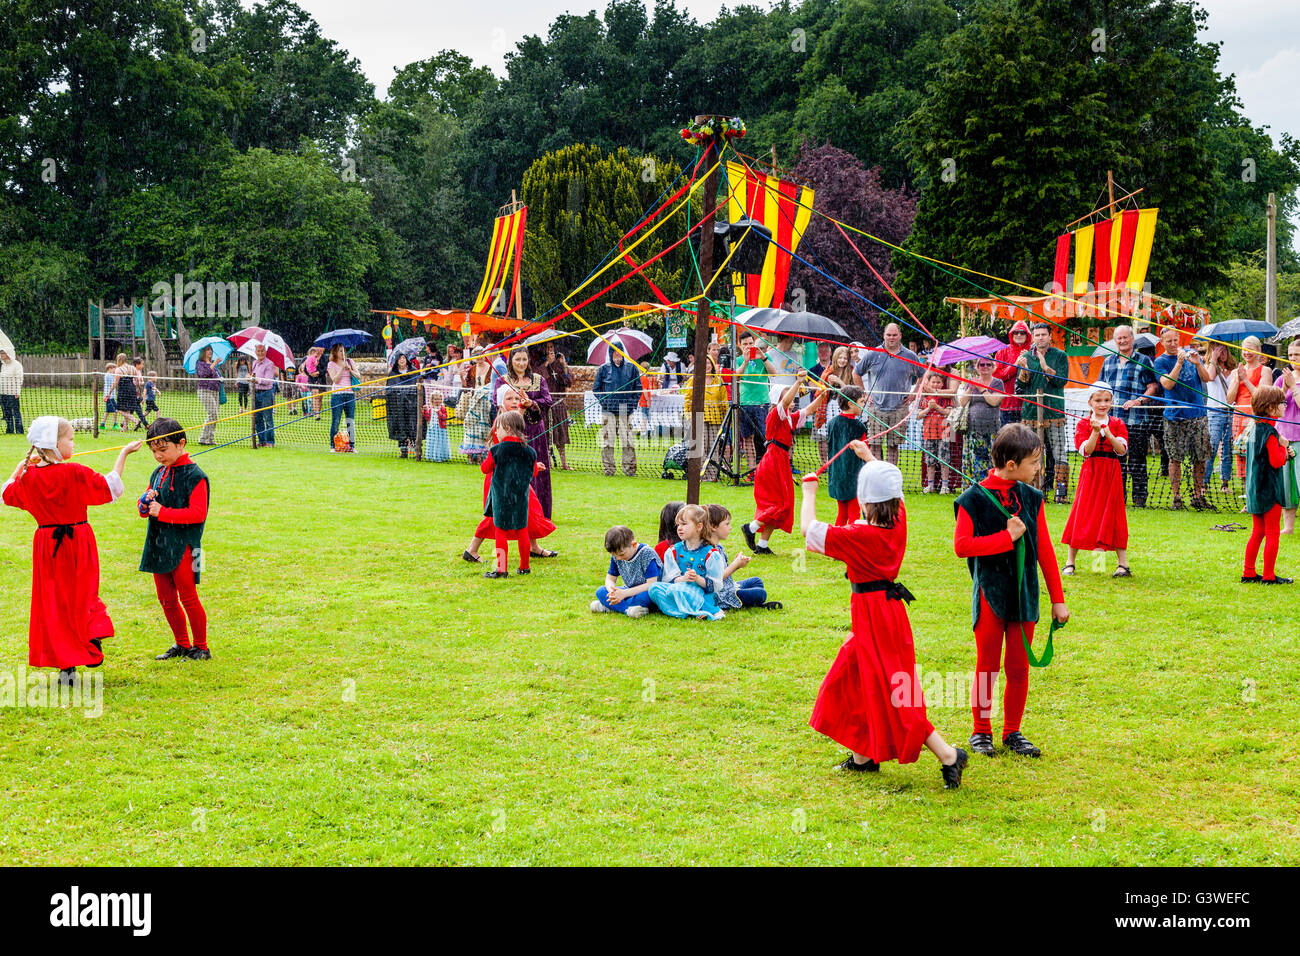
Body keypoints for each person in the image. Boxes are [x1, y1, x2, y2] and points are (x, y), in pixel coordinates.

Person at [800, 450, 968, 788]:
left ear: (863, 501)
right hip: (880, 615)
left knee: (894, 693)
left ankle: (949, 754)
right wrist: (870, 459)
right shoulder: (898, 518)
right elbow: (893, 489)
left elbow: (809, 530)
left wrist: (808, 492)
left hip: (877, 617)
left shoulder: (858, 536)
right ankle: (864, 755)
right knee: (853, 675)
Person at [953, 424, 1069, 759]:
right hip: (991, 595)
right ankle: (981, 731)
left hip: (1025, 596)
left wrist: (1057, 599)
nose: (1039, 469)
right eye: (1034, 462)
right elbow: (962, 546)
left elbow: (1045, 551)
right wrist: (1007, 538)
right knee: (987, 665)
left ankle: (1012, 732)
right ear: (1012, 464)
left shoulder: (1032, 498)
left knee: (1018, 667)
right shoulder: (973, 498)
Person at [2, 417, 141, 685]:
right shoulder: (74, 472)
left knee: (54, 601)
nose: (74, 444)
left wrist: (19, 469)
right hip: (78, 543)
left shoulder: (29, 479)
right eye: (71, 439)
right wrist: (124, 453)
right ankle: (90, 635)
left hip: (47, 548)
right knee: (83, 592)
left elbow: (7, 493)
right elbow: (109, 488)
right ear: (55, 444)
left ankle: (68, 665)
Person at [137, 418, 212, 661]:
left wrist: (163, 512)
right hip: (158, 545)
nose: (158, 456)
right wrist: (145, 503)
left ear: (181, 444)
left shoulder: (196, 476)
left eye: (163, 449)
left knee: (188, 597)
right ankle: (181, 644)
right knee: (166, 599)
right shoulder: (158, 472)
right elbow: (145, 508)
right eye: (153, 451)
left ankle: (201, 647)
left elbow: (198, 514)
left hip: (186, 546)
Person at [462, 387, 558, 562]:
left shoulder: (513, 421)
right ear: (500, 403)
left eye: (516, 398)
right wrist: (521, 411)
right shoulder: (502, 423)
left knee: (529, 510)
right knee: (494, 516)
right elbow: (509, 449)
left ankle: (533, 547)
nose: (514, 401)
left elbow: (517, 449)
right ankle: (473, 550)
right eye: (509, 398)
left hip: (515, 478)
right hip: (500, 479)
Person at [743, 374, 829, 555]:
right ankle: (750, 528)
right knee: (778, 504)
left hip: (781, 460)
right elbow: (784, 402)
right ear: (778, 399)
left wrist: (822, 396)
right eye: (786, 395)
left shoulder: (790, 417)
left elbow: (809, 410)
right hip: (773, 460)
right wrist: (798, 382)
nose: (792, 398)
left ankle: (762, 546)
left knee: (785, 504)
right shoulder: (776, 413)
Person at [1060, 382, 1130, 577]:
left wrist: (1107, 431)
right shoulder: (1083, 424)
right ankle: (1070, 562)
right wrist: (1094, 431)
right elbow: (1087, 451)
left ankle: (1122, 565)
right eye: (1098, 400)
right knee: (1082, 512)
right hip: (1091, 472)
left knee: (1113, 514)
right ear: (1090, 401)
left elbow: (1121, 450)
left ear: (1112, 402)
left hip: (1111, 472)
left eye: (1106, 400)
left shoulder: (1117, 423)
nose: (1102, 404)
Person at [1100, 325, 1161, 507]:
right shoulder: (1108, 361)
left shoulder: (1143, 361)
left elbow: (1153, 387)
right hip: (1113, 421)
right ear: (1115, 341)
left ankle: (1140, 498)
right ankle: (1118, 497)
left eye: (1125, 337)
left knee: (1137, 461)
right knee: (1116, 463)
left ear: (1132, 339)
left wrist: (1138, 401)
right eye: (1119, 338)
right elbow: (1101, 387)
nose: (1122, 341)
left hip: (1136, 420)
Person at [1153, 326, 1213, 510]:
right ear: (1162, 342)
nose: (1172, 344)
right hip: (1175, 417)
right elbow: (1168, 385)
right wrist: (1178, 364)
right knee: (1175, 458)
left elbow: (1207, 378)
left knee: (1200, 457)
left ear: (1179, 339)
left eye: (1175, 340)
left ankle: (1197, 496)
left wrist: (1197, 364)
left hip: (1197, 414)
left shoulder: (1191, 354)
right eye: (1168, 341)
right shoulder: (1160, 362)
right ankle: (1176, 497)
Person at [480, 410, 544, 579]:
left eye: (498, 429)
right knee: (523, 531)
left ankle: (502, 569)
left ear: (507, 428)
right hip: (521, 497)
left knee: (500, 532)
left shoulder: (497, 450)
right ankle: (524, 567)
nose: (496, 432)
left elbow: (484, 469)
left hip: (501, 497)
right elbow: (533, 473)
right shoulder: (530, 452)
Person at [1242, 386, 1294, 584]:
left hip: (1255, 490)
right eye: (1282, 403)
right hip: (1269, 491)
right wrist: (1283, 446)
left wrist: (1282, 448)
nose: (1284, 406)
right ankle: (1269, 576)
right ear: (1271, 407)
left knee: (1258, 532)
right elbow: (1276, 461)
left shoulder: (1254, 428)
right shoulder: (1271, 433)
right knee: (1272, 533)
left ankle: (1248, 572)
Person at [1015, 324, 1070, 501]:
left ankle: (1060, 494)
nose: (1040, 338)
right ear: (1033, 337)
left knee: (1059, 454)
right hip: (1031, 412)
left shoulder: (1060, 356)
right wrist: (1023, 369)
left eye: (1043, 334)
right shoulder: (1025, 357)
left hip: (1054, 412)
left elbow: (1061, 381)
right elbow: (1022, 386)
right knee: (1033, 454)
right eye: (1037, 335)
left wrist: (1045, 366)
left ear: (1050, 336)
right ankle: (1037, 492)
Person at [852, 323, 921, 465]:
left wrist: (914, 393)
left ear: (900, 336)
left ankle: (890, 476)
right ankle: (877, 475)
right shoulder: (873, 354)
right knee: (875, 445)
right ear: (884, 335)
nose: (891, 338)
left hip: (899, 408)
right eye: (889, 335)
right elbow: (856, 373)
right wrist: (865, 394)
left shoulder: (910, 355)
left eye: (894, 335)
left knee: (893, 446)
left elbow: (923, 375)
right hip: (876, 408)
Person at [647, 504, 727, 620]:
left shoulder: (711, 554)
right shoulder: (673, 551)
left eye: (684, 524)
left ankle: (704, 609)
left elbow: (716, 585)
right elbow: (669, 581)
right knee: (654, 588)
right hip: (678, 589)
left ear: (699, 526)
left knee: (681, 590)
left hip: (702, 594)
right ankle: (687, 611)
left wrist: (697, 579)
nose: (679, 528)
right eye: (678, 525)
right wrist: (683, 579)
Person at [502, 346, 554, 518]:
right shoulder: (503, 380)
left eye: (524, 359)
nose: (521, 363)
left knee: (537, 468)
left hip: (535, 431)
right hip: (513, 431)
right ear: (511, 361)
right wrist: (516, 404)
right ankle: (515, 509)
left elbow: (547, 400)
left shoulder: (538, 379)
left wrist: (531, 403)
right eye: (517, 359)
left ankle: (539, 512)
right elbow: (498, 401)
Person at [705, 503, 772, 610]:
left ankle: (749, 601)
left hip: (728, 586)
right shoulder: (709, 550)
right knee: (760, 594)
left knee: (756, 581)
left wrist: (736, 561)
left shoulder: (717, 545)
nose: (730, 527)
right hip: (719, 594)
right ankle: (741, 602)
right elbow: (717, 578)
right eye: (727, 524)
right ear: (713, 526)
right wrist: (736, 565)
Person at [592, 336, 641, 477]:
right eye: (614, 353)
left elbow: (638, 388)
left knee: (628, 442)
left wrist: (632, 403)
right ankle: (609, 469)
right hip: (608, 411)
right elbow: (596, 389)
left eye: (619, 353)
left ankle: (629, 469)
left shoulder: (632, 368)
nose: (617, 356)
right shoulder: (603, 369)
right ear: (610, 354)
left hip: (626, 411)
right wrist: (604, 401)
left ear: (623, 353)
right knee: (608, 442)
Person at [1227, 335, 1273, 480]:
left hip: (1256, 415)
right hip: (1239, 415)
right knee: (1240, 450)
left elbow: (1262, 396)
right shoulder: (1236, 371)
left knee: (1256, 450)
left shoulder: (1265, 371)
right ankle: (1245, 485)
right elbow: (1229, 399)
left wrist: (1245, 380)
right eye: (1244, 350)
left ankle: (1256, 484)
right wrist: (1238, 380)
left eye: (1250, 349)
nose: (1247, 353)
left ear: (1259, 350)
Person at [591, 525, 660, 617]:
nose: (619, 558)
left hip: (649, 591)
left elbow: (651, 584)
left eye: (622, 554)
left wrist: (624, 594)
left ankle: (610, 607)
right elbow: (610, 579)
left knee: (646, 597)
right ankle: (628, 610)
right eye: (615, 555)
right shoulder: (617, 556)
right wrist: (613, 592)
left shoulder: (647, 554)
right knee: (600, 591)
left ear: (634, 545)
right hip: (629, 591)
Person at [957, 358, 1006, 484]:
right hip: (972, 430)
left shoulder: (997, 383)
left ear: (993, 367)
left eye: (988, 364)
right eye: (982, 364)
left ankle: (988, 486)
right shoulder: (971, 382)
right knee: (973, 461)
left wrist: (982, 389)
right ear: (977, 367)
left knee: (990, 461)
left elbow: (994, 401)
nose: (985, 367)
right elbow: (962, 402)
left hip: (991, 430)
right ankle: (973, 487)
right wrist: (970, 388)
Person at [826, 385, 869, 525]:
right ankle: (849, 543)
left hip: (837, 474)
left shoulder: (832, 423)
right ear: (851, 403)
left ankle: (837, 542)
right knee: (854, 515)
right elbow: (865, 452)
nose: (864, 405)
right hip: (853, 476)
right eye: (862, 401)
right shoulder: (859, 426)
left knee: (842, 513)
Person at [682, 351, 727, 481]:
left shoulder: (718, 380)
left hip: (716, 419)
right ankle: (700, 474)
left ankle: (712, 475)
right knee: (699, 447)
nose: (706, 366)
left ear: (712, 365)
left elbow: (724, 400)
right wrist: (690, 416)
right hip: (698, 417)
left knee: (713, 448)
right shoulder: (693, 380)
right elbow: (688, 400)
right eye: (704, 363)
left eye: (709, 363)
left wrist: (725, 419)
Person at [734, 329, 775, 470]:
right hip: (745, 404)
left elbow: (774, 374)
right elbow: (736, 377)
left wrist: (763, 357)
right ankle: (752, 469)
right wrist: (745, 362)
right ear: (740, 345)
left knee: (765, 437)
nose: (748, 346)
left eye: (750, 343)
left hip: (762, 403)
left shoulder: (764, 357)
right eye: (745, 344)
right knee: (747, 438)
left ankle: (767, 467)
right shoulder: (739, 360)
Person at [1201, 341, 1237, 494]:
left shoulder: (1233, 369)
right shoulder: (1210, 366)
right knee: (1212, 447)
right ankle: (1204, 483)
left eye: (1224, 350)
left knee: (1228, 448)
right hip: (1215, 411)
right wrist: (1213, 359)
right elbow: (1209, 377)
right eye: (1218, 350)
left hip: (1230, 411)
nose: (1222, 353)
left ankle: (1225, 482)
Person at [816, 346, 855, 465]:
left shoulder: (851, 371)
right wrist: (828, 385)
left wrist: (839, 382)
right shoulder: (829, 371)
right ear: (835, 358)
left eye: (845, 358)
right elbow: (820, 391)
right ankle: (825, 462)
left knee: (843, 435)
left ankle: (840, 460)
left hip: (844, 407)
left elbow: (851, 393)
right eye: (840, 358)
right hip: (829, 406)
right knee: (824, 434)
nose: (842, 360)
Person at [918, 370, 954, 493]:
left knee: (944, 460)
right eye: (933, 382)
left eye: (938, 382)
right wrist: (929, 407)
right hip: (928, 432)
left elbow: (950, 412)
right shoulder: (925, 397)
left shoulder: (947, 397)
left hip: (946, 431)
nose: (935, 384)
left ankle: (945, 486)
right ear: (929, 382)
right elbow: (918, 415)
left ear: (942, 383)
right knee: (929, 460)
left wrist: (937, 407)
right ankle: (930, 485)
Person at [1278, 340, 1300, 534]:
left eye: (1297, 355)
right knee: (1287, 485)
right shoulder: (1283, 377)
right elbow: (1273, 406)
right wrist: (1284, 388)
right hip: (1283, 438)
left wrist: (1293, 387)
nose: (1293, 359)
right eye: (1290, 355)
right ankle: (1289, 527)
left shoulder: (1293, 380)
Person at [991, 320, 1031, 427]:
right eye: (1016, 332)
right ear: (1011, 334)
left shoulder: (1033, 352)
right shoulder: (1002, 351)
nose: (1019, 335)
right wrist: (1015, 365)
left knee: (1027, 441)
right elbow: (997, 376)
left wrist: (1028, 362)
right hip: (1007, 405)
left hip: (1029, 406)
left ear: (1027, 335)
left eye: (1022, 333)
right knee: (1007, 440)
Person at [384, 352, 420, 458]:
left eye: (404, 358)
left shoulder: (414, 372)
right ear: (396, 361)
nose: (402, 360)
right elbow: (389, 390)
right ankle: (403, 450)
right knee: (401, 426)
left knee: (412, 426)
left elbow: (418, 387)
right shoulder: (393, 373)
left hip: (412, 405)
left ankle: (416, 449)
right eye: (400, 358)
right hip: (398, 406)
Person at [543, 345, 573, 470]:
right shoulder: (540, 365)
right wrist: (546, 364)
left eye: (552, 348)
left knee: (561, 435)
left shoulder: (560, 364)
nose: (550, 350)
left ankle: (564, 463)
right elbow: (541, 379)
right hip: (546, 405)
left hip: (558, 404)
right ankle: (547, 462)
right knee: (547, 435)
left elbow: (568, 382)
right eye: (548, 348)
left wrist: (564, 365)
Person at [326, 343, 358, 452]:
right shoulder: (331, 364)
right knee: (336, 420)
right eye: (340, 351)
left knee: (350, 420)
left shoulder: (350, 362)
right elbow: (335, 379)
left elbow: (359, 376)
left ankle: (352, 446)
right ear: (335, 352)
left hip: (349, 394)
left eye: (344, 350)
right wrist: (341, 368)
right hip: (337, 395)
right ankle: (333, 445)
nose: (342, 353)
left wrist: (350, 370)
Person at [250, 344, 277, 448]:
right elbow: (253, 377)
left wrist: (255, 379)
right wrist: (250, 377)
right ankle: (262, 441)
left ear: (265, 352)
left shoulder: (270, 364)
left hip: (266, 393)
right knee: (258, 418)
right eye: (258, 351)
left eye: (262, 351)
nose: (260, 353)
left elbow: (267, 381)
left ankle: (270, 442)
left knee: (268, 418)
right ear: (255, 352)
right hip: (255, 393)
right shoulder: (254, 363)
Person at [194, 346, 221, 446]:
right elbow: (204, 374)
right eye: (207, 350)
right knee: (212, 413)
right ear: (203, 352)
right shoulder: (200, 363)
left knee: (215, 416)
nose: (210, 352)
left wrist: (220, 378)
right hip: (205, 391)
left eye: (211, 350)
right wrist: (214, 364)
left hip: (215, 391)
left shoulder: (213, 364)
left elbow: (214, 375)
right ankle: (203, 438)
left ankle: (210, 439)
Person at [115, 353, 144, 432]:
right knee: (127, 410)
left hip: (123, 390)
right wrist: (138, 390)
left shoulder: (118, 369)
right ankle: (124, 429)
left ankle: (136, 421)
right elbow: (137, 380)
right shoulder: (132, 368)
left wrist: (109, 392)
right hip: (132, 389)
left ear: (119, 360)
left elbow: (116, 382)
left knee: (119, 409)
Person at [0, 348, 24, 434]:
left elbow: (19, 378)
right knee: (6, 413)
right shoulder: (2, 365)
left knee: (15, 412)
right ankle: (9, 430)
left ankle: (19, 431)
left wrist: (17, 392)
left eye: (3, 353)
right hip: (3, 393)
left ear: (8, 354)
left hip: (12, 393)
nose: (1, 355)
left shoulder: (16, 365)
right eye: (1, 353)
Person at [302, 347, 326, 419]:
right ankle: (317, 414)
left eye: (322, 348)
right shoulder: (308, 357)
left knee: (320, 397)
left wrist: (319, 372)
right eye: (319, 348)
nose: (320, 349)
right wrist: (310, 374)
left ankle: (318, 411)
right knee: (316, 396)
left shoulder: (324, 358)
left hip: (321, 379)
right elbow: (305, 368)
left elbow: (325, 368)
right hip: (312, 379)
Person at [101, 362, 119, 430]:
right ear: (109, 369)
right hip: (109, 397)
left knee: (107, 411)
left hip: (110, 396)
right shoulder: (108, 375)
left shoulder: (111, 375)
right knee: (115, 410)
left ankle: (102, 424)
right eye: (114, 369)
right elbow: (113, 385)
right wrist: (108, 394)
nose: (115, 370)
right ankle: (115, 424)